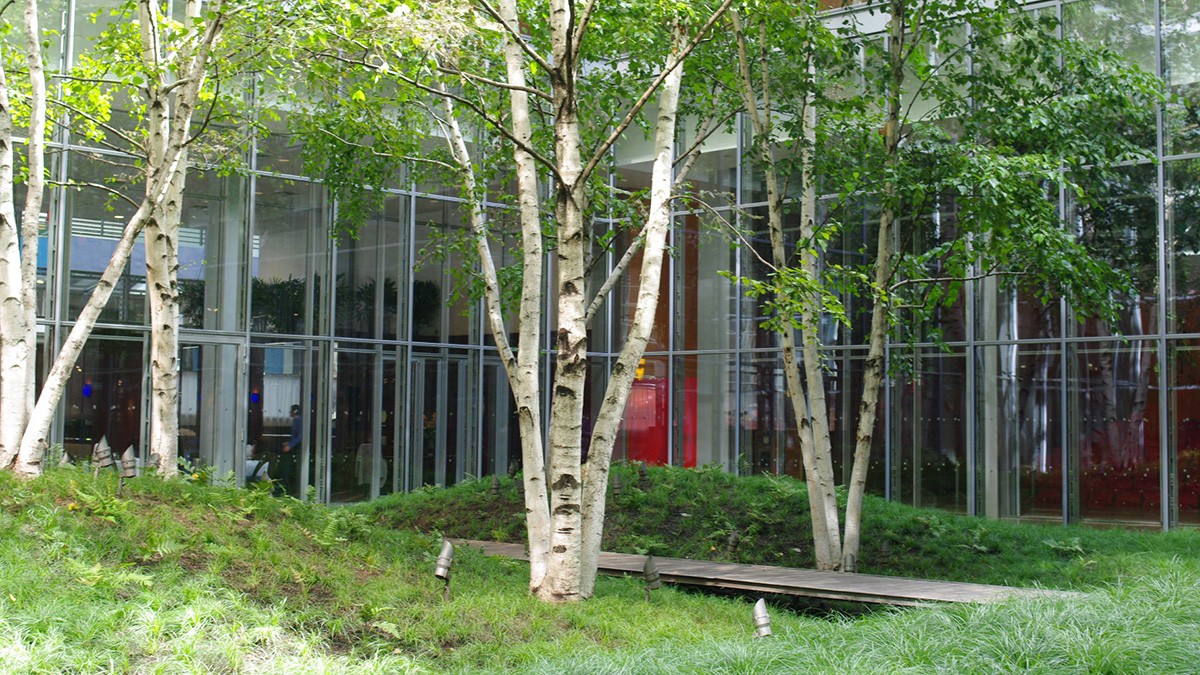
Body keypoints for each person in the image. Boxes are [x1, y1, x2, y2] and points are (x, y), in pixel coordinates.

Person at [277, 404, 302, 496]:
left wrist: (290, 445)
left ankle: (287, 487)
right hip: (295, 447)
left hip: (298, 448)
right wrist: (289, 443)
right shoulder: (296, 420)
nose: (289, 412)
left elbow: (300, 436)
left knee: (286, 466)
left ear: (295, 411)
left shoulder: (298, 420)